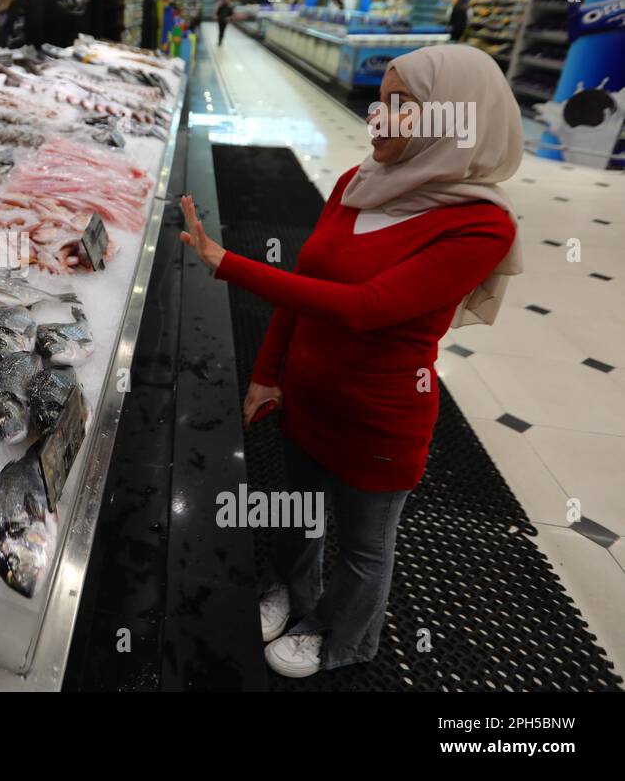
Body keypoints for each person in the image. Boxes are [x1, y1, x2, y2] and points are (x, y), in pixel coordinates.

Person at [178, 44, 522, 678]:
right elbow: (310, 283)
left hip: (378, 419)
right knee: (297, 511)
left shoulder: (479, 226)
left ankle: (344, 638)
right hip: (309, 394)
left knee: (365, 547)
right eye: (380, 104)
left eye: (403, 107)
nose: (378, 121)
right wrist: (266, 373)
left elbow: (365, 306)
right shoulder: (356, 183)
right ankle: (290, 591)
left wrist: (231, 265)